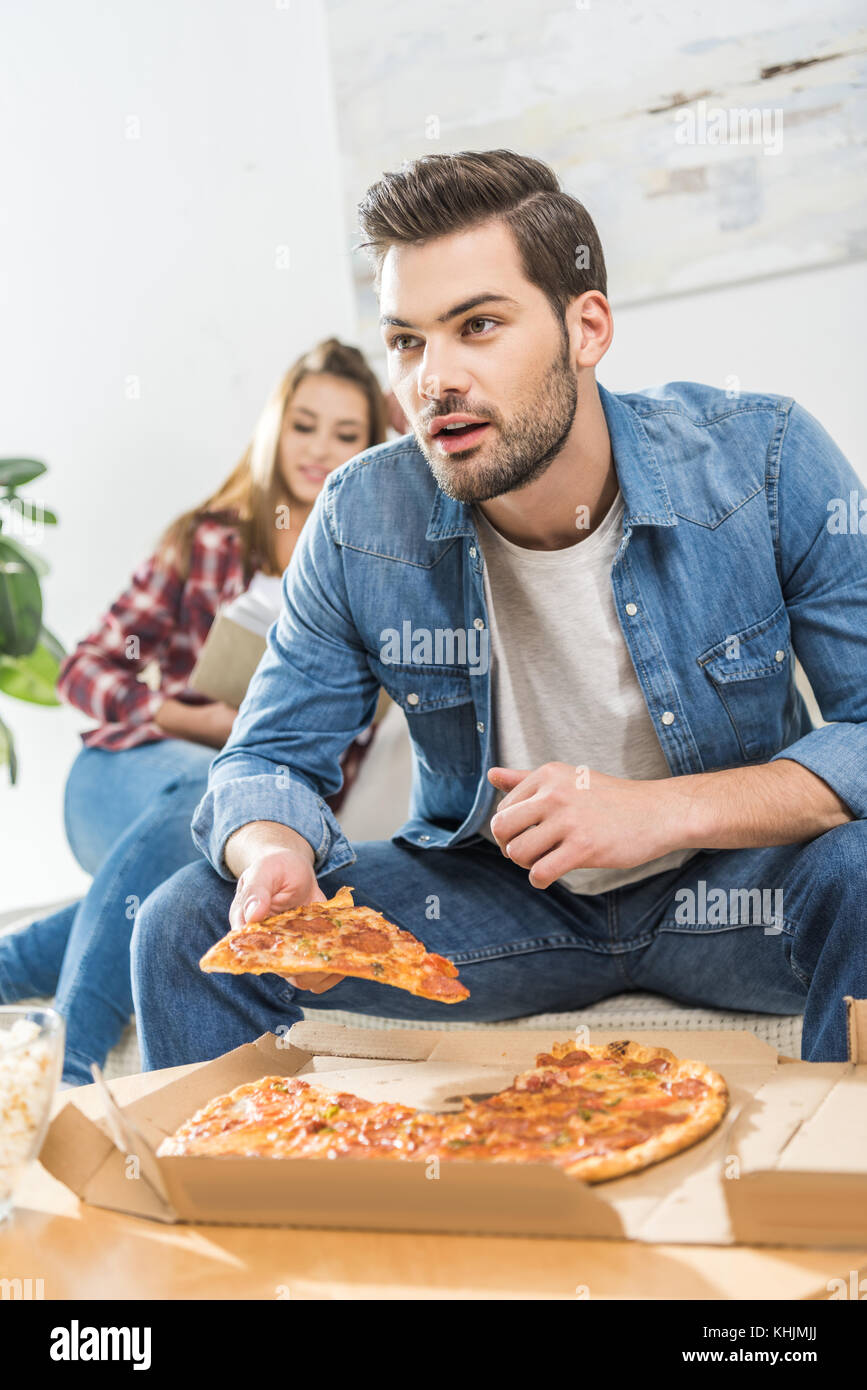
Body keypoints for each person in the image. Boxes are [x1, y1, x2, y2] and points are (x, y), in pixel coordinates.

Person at [130, 150, 867, 1069]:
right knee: (181, 921)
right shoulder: (362, 517)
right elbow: (272, 756)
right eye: (407, 340)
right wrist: (268, 848)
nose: (434, 378)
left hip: (736, 891)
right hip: (495, 902)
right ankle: (249, 1205)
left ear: (585, 326)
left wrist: (665, 811)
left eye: (477, 325)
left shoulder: (762, 458)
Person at [0, 337, 390, 1084]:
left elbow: (339, 749)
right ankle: (72, 1067)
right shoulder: (206, 540)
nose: (318, 451)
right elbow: (82, 671)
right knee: (212, 783)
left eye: (349, 435)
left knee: (200, 869)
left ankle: (11, 967)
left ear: (373, 445)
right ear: (275, 426)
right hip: (129, 773)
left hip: (245, 825)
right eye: (305, 425)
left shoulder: (369, 569)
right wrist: (186, 720)